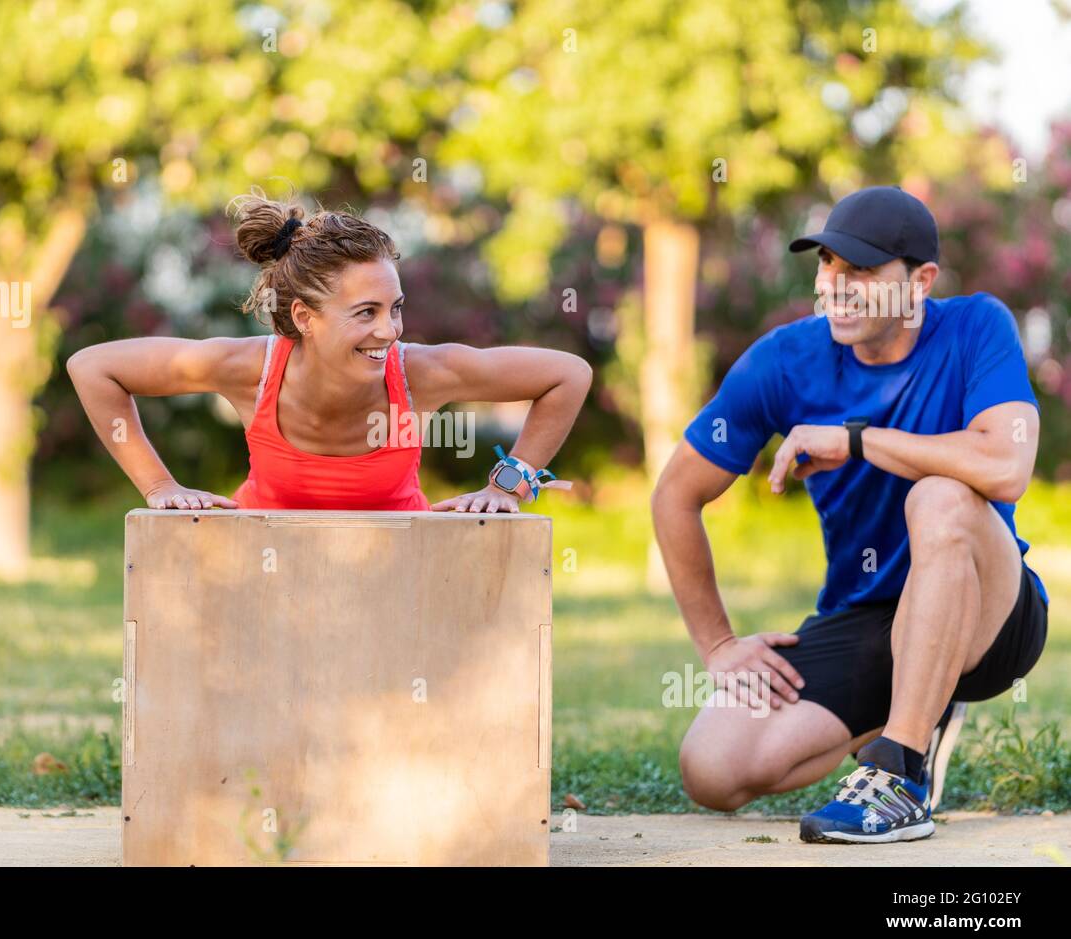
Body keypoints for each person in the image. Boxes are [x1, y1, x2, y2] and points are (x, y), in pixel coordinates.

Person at [651, 186, 1047, 843]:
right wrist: (718, 646)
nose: (836, 286)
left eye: (860, 271)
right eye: (827, 266)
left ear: (919, 282)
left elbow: (1006, 466)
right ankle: (913, 708)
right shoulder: (785, 361)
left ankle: (900, 771)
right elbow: (674, 495)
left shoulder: (978, 326)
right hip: (868, 616)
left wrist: (857, 439)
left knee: (940, 495)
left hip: (991, 612)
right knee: (713, 768)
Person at [68, 189, 591, 514]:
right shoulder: (251, 369)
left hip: (400, 574)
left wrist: (509, 484)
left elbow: (567, 375)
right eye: (366, 313)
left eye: (396, 308)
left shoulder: (421, 375)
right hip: (265, 570)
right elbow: (93, 368)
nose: (389, 331)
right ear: (304, 318)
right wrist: (159, 485)